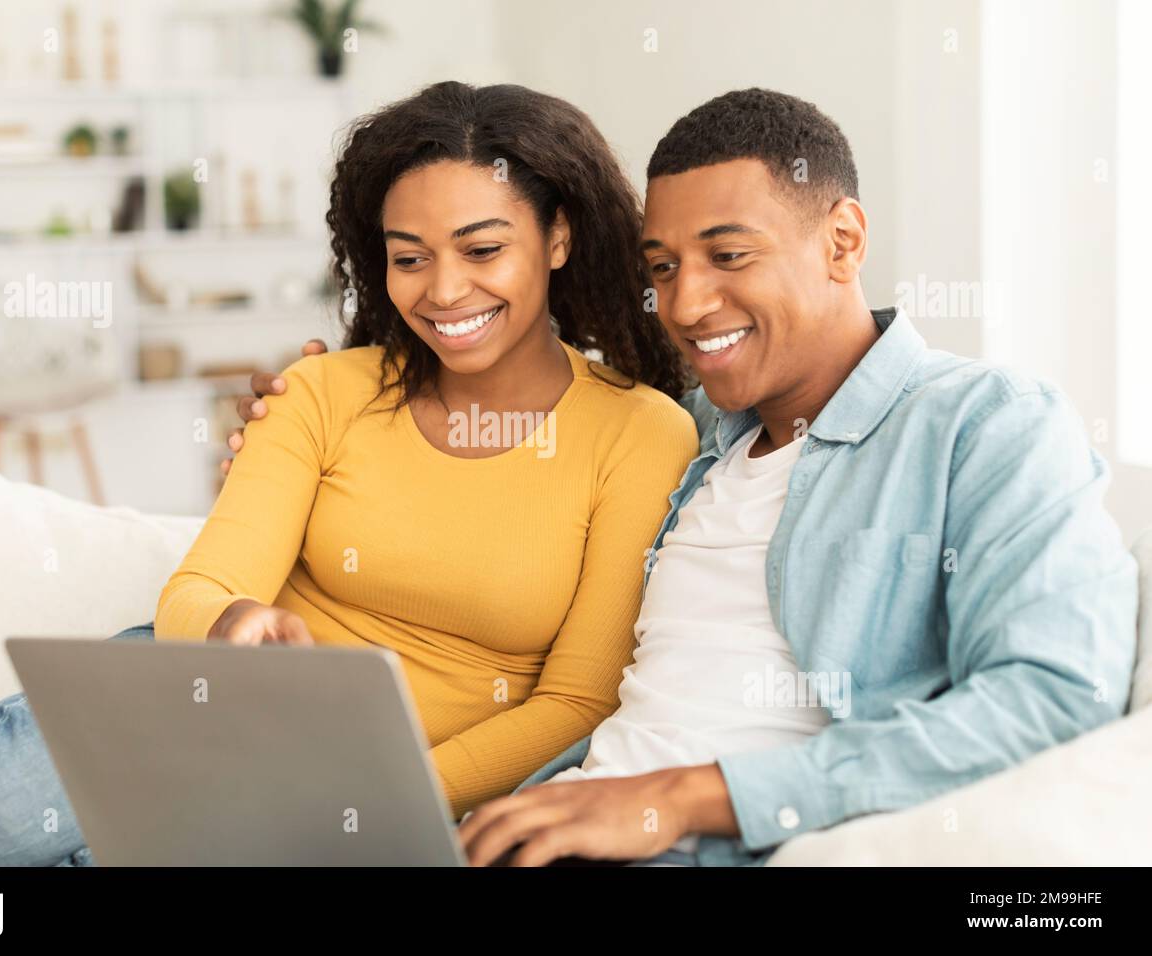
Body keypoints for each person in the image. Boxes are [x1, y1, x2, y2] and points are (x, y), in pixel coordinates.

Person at [248, 89, 1138, 868]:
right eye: (662, 268)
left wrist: (682, 798)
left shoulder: (986, 425)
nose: (685, 304)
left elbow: (1054, 696)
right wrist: (314, 407)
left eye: (729, 256)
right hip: (543, 823)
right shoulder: (683, 429)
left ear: (843, 240)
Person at [0, 82, 696, 866]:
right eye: (409, 258)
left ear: (558, 237)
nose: (444, 289)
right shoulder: (323, 391)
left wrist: (372, 800)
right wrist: (231, 622)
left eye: (482, 248)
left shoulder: (640, 432)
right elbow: (202, 587)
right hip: (207, 706)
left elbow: (578, 702)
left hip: (391, 788)